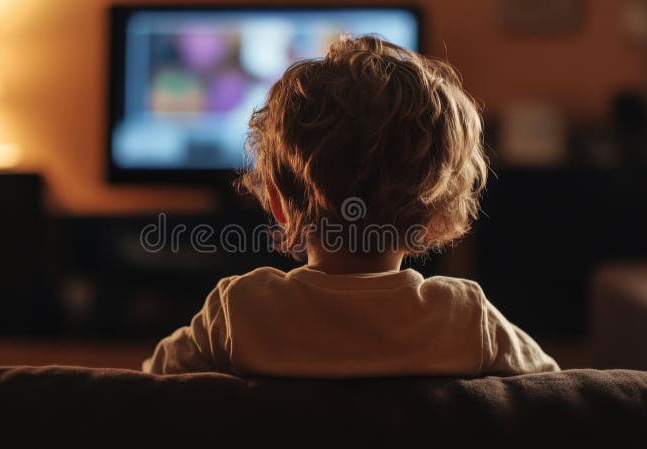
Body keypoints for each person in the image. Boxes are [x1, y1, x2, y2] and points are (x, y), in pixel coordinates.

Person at [143, 35, 559, 377]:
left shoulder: (238, 310)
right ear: (436, 215)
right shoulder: (466, 318)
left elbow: (151, 381)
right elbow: (554, 387)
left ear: (278, 202)